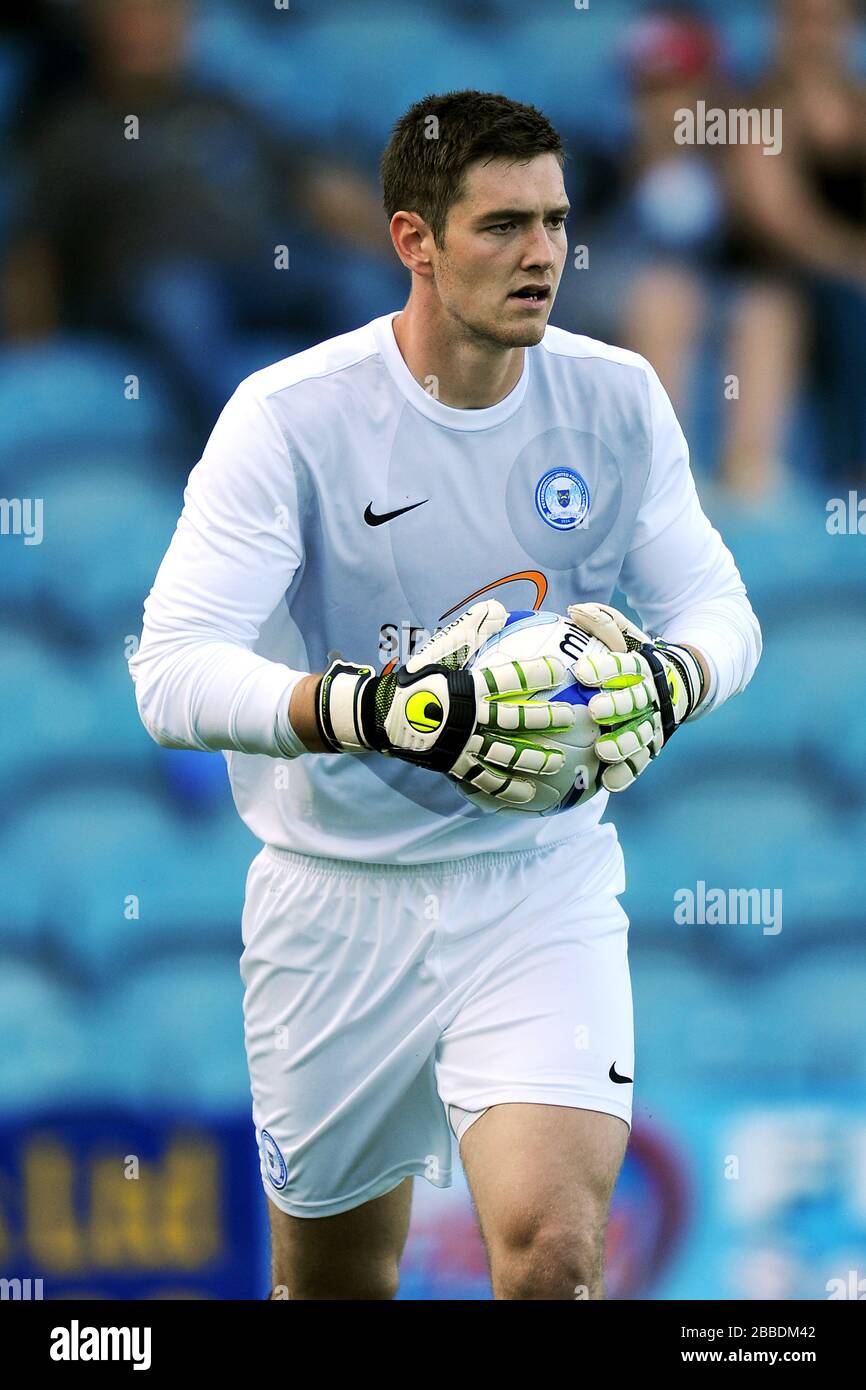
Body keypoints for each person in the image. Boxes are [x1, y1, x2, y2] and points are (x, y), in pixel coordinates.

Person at [129, 90, 761, 1300]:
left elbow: (720, 614)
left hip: (539, 884)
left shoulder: (616, 396)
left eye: (558, 222)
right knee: (331, 1286)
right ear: (412, 240)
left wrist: (672, 681)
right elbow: (170, 673)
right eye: (502, 225)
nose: (541, 255)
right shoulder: (290, 417)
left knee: (552, 1254)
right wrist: (371, 710)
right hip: (333, 902)